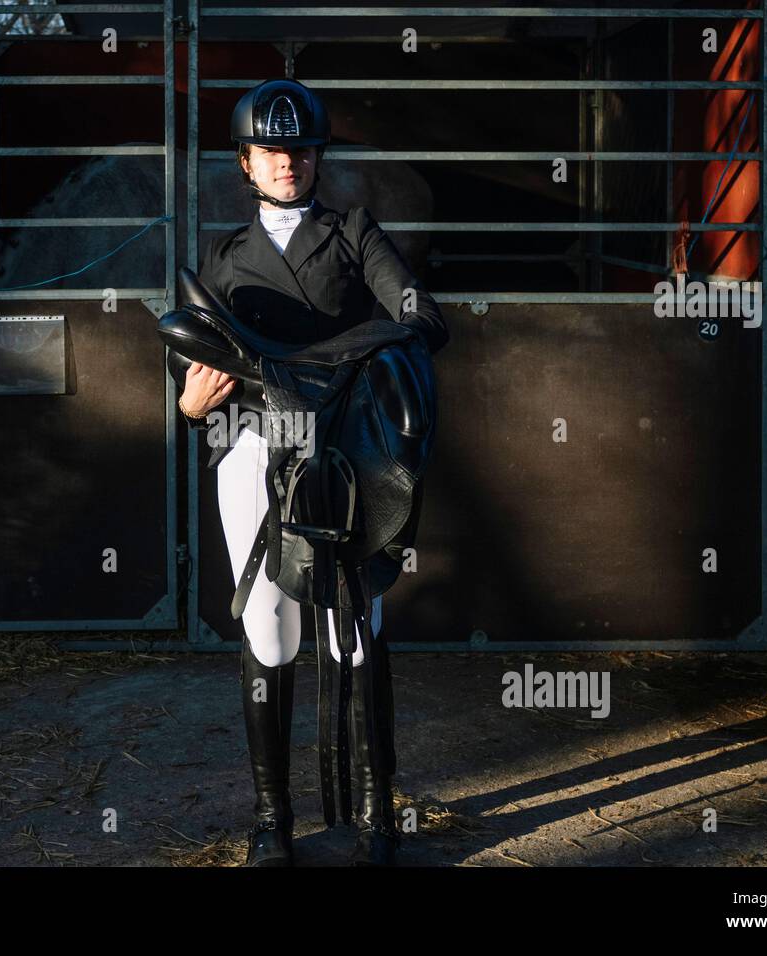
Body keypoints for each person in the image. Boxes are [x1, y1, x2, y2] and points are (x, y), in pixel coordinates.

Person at [176, 79, 449, 866]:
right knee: (266, 621)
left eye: (298, 149)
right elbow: (188, 357)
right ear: (247, 164)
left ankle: (375, 811)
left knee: (356, 628)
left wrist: (330, 360)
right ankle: (273, 819)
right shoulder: (223, 255)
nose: (286, 162)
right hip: (255, 446)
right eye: (270, 151)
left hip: (345, 450)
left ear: (316, 157)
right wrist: (191, 408)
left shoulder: (356, 233)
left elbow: (419, 319)